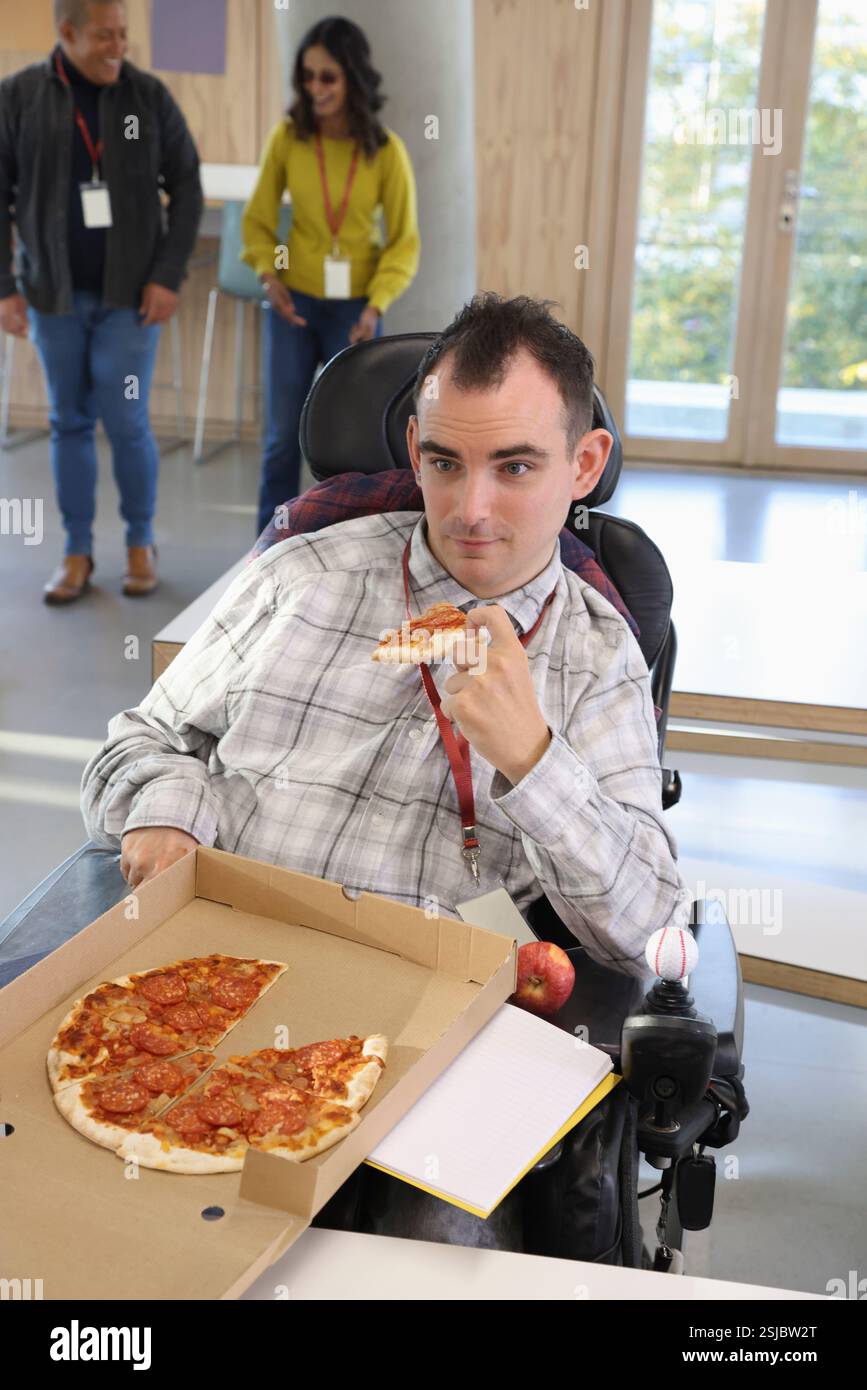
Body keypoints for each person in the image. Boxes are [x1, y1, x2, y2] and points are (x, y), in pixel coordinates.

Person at [80, 292, 691, 1248]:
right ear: (412, 447)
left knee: (426, 1250)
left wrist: (531, 759)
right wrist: (167, 811)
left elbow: (648, 926)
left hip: (430, 1040)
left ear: (583, 465)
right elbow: (141, 738)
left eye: (514, 467)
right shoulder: (302, 572)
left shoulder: (595, 653)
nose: (470, 510)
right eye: (444, 463)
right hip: (222, 980)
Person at [0, 0, 203, 604]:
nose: (119, 47)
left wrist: (167, 275)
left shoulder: (147, 97)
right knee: (68, 422)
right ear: (67, 32)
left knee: (126, 419)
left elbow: (186, 185)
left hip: (130, 298)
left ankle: (140, 543)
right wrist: (4, 287)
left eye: (124, 35)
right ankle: (76, 550)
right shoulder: (20, 97)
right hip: (52, 296)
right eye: (105, 36)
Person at [241, 15, 420, 537]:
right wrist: (269, 276)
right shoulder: (288, 139)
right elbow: (257, 221)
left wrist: (376, 304)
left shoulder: (385, 150)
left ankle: (350, 545)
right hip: (293, 304)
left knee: (354, 445)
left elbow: (404, 241)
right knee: (281, 439)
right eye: (307, 76)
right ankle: (268, 549)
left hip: (355, 310)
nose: (314, 88)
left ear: (352, 79)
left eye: (327, 77)